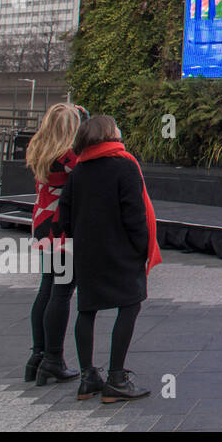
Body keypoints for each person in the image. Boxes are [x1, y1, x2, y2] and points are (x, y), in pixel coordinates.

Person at [58, 114, 162, 402]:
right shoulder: (124, 165)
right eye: (117, 126)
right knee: (130, 305)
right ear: (108, 134)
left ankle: (88, 377)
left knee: (87, 310)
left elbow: (64, 215)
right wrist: (142, 248)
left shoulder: (79, 171)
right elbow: (135, 214)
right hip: (121, 251)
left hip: (88, 252)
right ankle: (116, 377)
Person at [24, 103, 84, 386]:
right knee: (61, 293)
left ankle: (37, 356)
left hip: (42, 224)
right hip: (62, 229)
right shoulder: (69, 156)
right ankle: (53, 359)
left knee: (46, 288)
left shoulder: (39, 147)